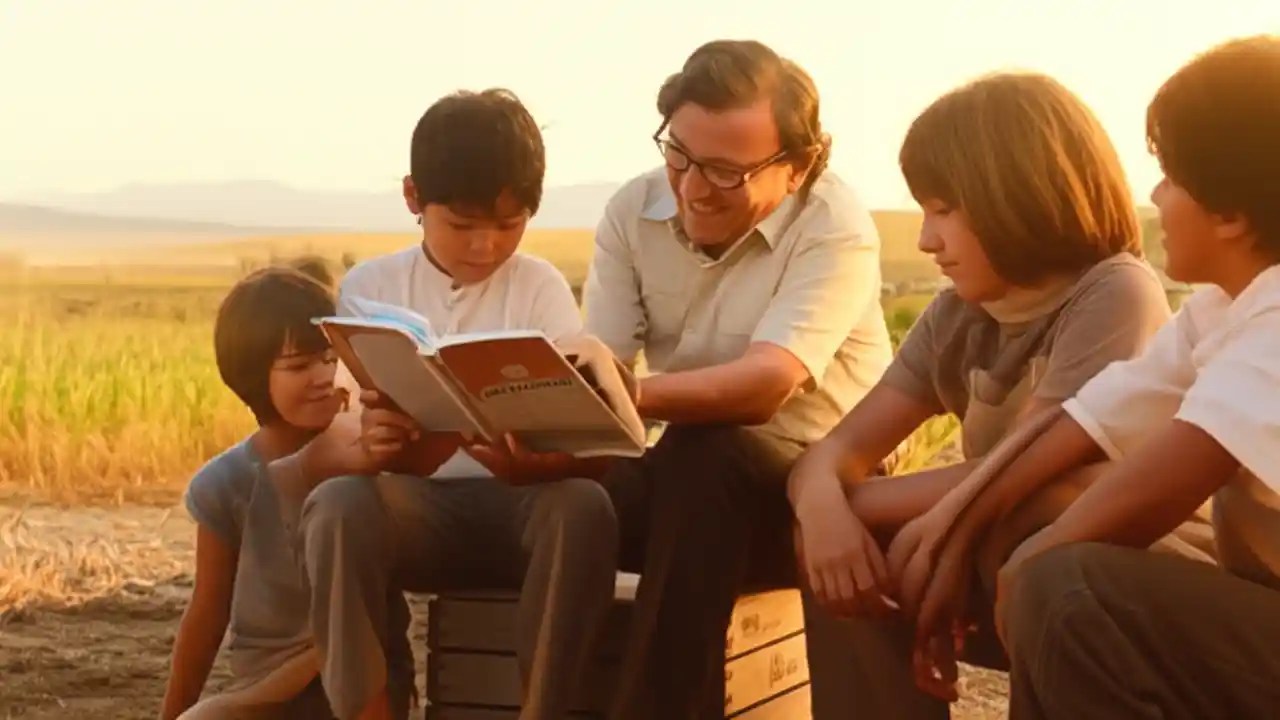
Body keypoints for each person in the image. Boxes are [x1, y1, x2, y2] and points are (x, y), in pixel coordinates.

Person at [784, 71, 1215, 718]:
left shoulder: (1113, 292)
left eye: (943, 211)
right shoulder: (957, 315)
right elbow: (838, 448)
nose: (926, 240)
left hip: (1130, 572)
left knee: (1031, 503)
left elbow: (1027, 467)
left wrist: (863, 500)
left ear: (1015, 194)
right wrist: (825, 514)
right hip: (990, 540)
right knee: (841, 546)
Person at [930, 35, 1280, 720]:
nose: (1155, 195)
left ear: (1232, 213)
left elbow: (1173, 472)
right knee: (1042, 544)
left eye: (1172, 177)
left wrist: (1024, 572)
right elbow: (1085, 424)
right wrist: (952, 524)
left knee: (1068, 586)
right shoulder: (1223, 310)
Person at [267, 89, 620, 720]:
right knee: (338, 506)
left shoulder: (538, 286)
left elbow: (574, 439)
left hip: (520, 503)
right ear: (413, 199)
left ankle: (547, 710)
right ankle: (371, 710)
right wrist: (375, 440)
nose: (485, 246)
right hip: (418, 507)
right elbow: (350, 424)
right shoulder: (370, 287)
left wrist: (533, 462)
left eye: (508, 226)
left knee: (582, 506)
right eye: (462, 225)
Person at [581, 39, 895, 718]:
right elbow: (598, 366)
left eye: (725, 171)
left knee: (705, 452)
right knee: (579, 488)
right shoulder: (631, 212)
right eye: (679, 155)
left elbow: (764, 386)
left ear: (799, 165)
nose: (693, 188)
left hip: (824, 486)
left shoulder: (836, 226)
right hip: (694, 487)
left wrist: (625, 393)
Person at [161, 267, 352, 719]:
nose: (325, 376)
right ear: (250, 374)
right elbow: (208, 610)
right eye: (299, 365)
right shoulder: (226, 484)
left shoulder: (363, 461)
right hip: (263, 690)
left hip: (356, 684)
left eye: (332, 357)